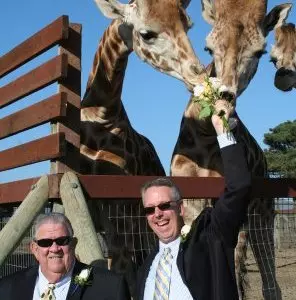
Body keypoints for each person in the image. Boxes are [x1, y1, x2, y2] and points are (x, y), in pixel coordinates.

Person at [136, 100, 252, 300]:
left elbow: (239, 187)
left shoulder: (209, 239)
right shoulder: (147, 266)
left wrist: (221, 128)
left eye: (164, 205)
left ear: (180, 208)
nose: (157, 214)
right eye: (150, 209)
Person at [0, 212, 131, 300]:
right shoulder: (8, 287)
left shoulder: (111, 288)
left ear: (73, 244)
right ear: (34, 249)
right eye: (45, 243)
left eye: (62, 241)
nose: (54, 249)